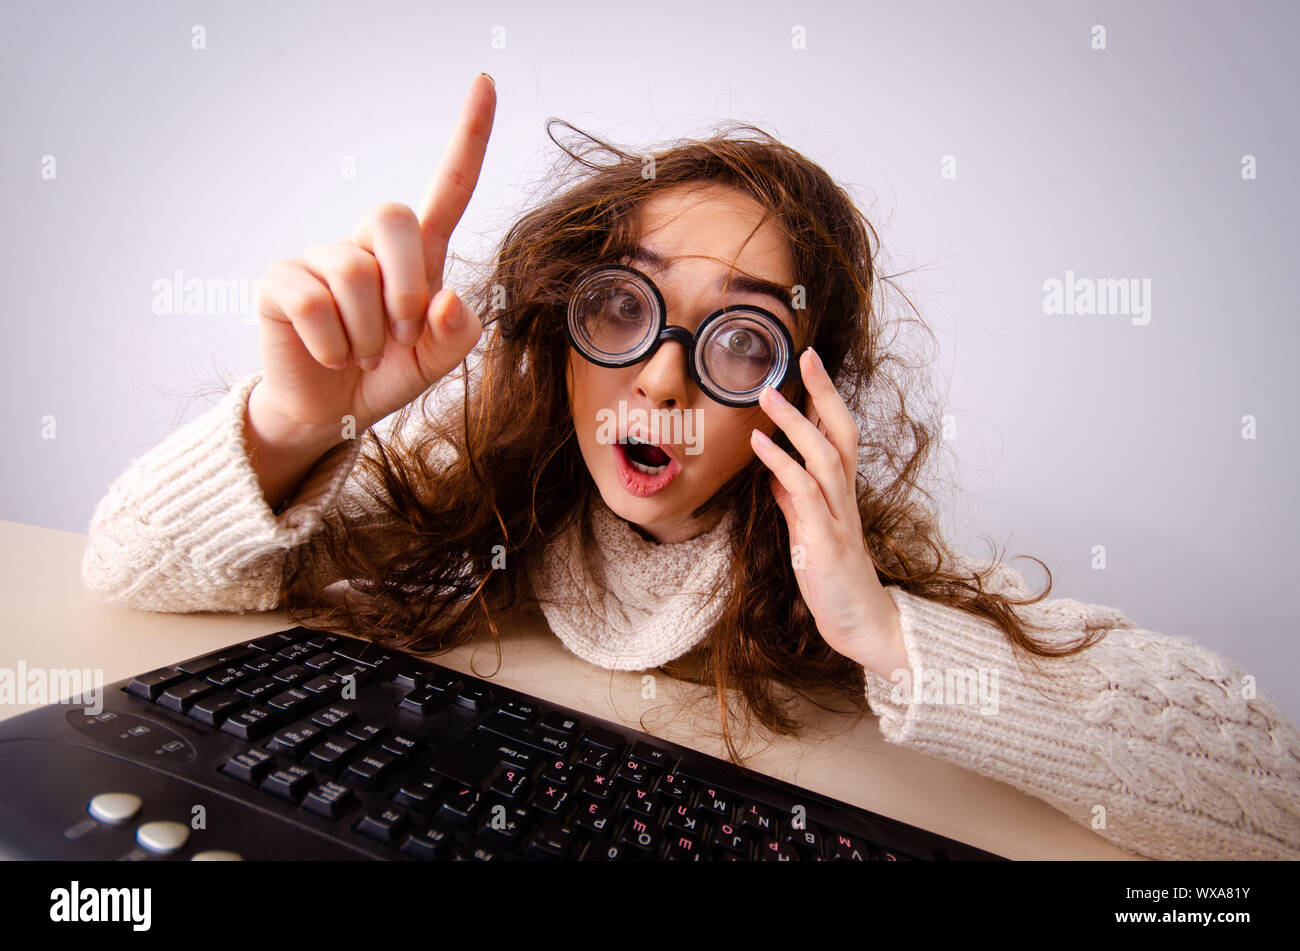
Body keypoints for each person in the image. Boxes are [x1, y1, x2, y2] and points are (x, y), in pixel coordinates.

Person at [81, 73, 1300, 861]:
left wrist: (879, 630)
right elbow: (125, 568)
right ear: (561, 324)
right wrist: (297, 425)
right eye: (621, 310)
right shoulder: (482, 474)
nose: (660, 382)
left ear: (803, 383)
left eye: (737, 337)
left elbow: (1268, 791)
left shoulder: (850, 565)